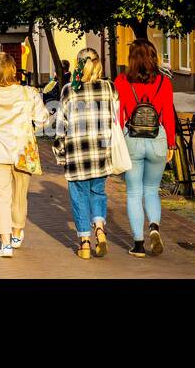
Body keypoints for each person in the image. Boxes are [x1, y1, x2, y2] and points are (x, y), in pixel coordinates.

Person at [0, 52, 48, 258]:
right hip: (22, 150)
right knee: (20, 194)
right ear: (14, 70)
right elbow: (42, 120)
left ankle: (5, 243)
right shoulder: (28, 93)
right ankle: (17, 232)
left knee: (0, 197)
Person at [53, 48, 117, 260]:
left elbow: (61, 127)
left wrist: (60, 154)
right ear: (98, 63)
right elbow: (115, 118)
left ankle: (85, 242)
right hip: (101, 150)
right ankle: (99, 227)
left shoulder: (69, 90)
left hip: (78, 152)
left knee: (79, 196)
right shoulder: (109, 88)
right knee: (98, 191)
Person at [115, 38, 176, 257]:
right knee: (151, 189)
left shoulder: (121, 81)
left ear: (131, 58)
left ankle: (138, 245)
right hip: (157, 138)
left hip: (131, 138)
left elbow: (118, 116)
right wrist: (171, 144)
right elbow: (168, 114)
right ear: (153, 57)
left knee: (133, 193)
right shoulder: (164, 82)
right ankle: (154, 228)